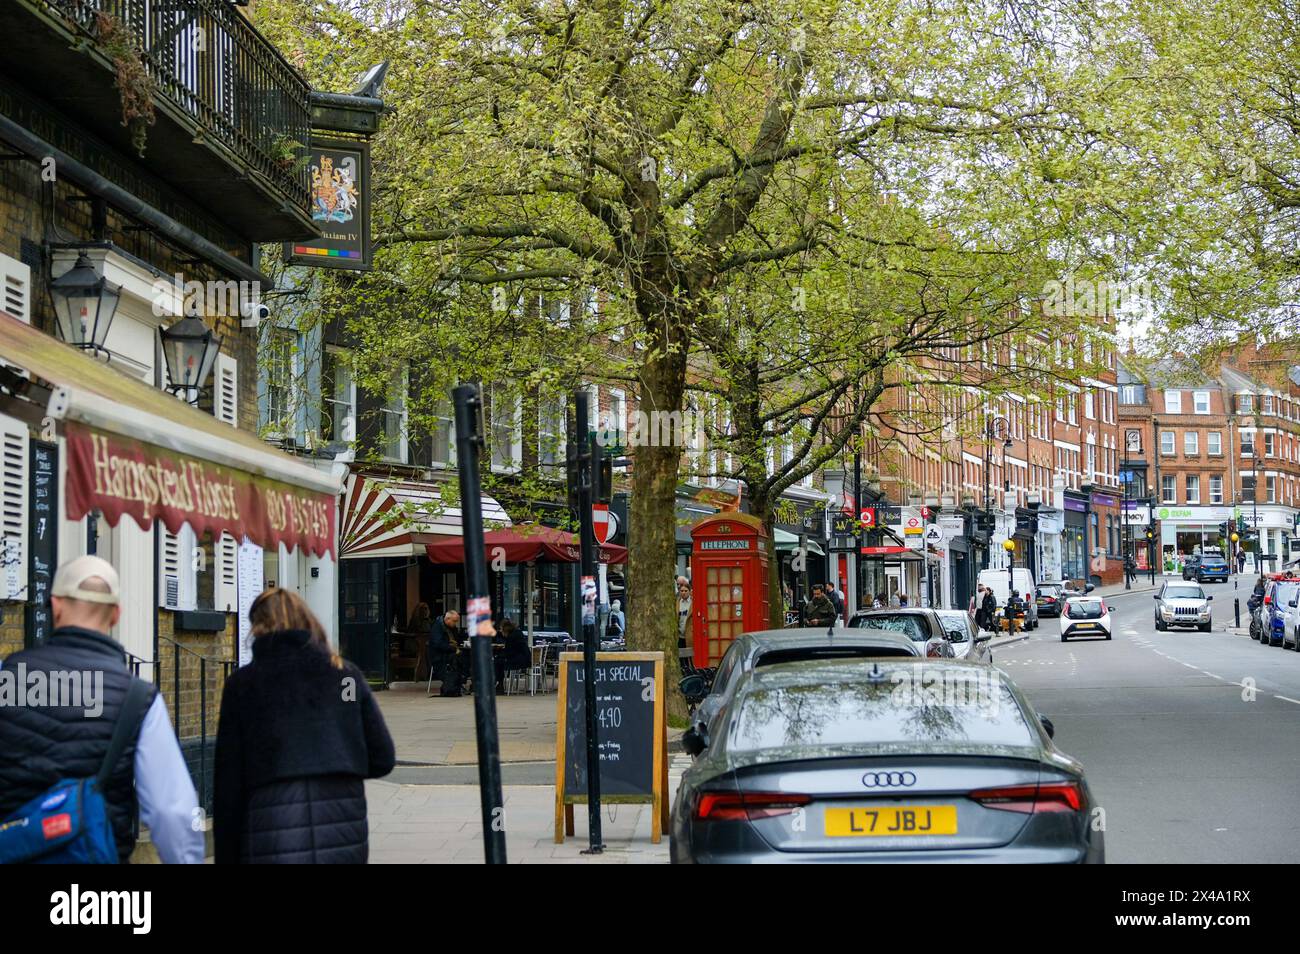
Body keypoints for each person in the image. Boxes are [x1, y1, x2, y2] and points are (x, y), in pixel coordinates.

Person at [0, 556, 203, 863]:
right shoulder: (138, 698)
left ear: (56, 605)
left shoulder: (8, 677)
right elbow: (171, 811)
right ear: (116, 614)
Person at [214, 588, 395, 863]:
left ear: (257, 629)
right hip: (342, 821)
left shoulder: (243, 684)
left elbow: (228, 783)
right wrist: (342, 762)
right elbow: (383, 757)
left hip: (271, 824)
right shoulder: (345, 676)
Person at [494, 618, 532, 690]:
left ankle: (498, 683)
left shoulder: (511, 637)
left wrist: (498, 656)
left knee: (497, 662)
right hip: (525, 658)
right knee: (499, 661)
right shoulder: (517, 633)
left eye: (501, 629)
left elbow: (509, 652)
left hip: (519, 660)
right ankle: (499, 684)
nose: (500, 631)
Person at [428, 609, 463, 687]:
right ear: (447, 619)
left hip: (450, 651)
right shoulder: (437, 627)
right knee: (458, 658)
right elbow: (438, 644)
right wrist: (453, 648)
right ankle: (454, 683)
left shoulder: (451, 627)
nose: (455, 623)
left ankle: (460, 681)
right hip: (439, 655)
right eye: (454, 621)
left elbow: (457, 639)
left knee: (466, 657)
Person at [676, 577, 692, 650]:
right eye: (682, 591)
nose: (683, 593)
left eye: (686, 591)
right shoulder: (677, 603)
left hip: (690, 635)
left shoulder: (693, 602)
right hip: (680, 636)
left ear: (689, 591)